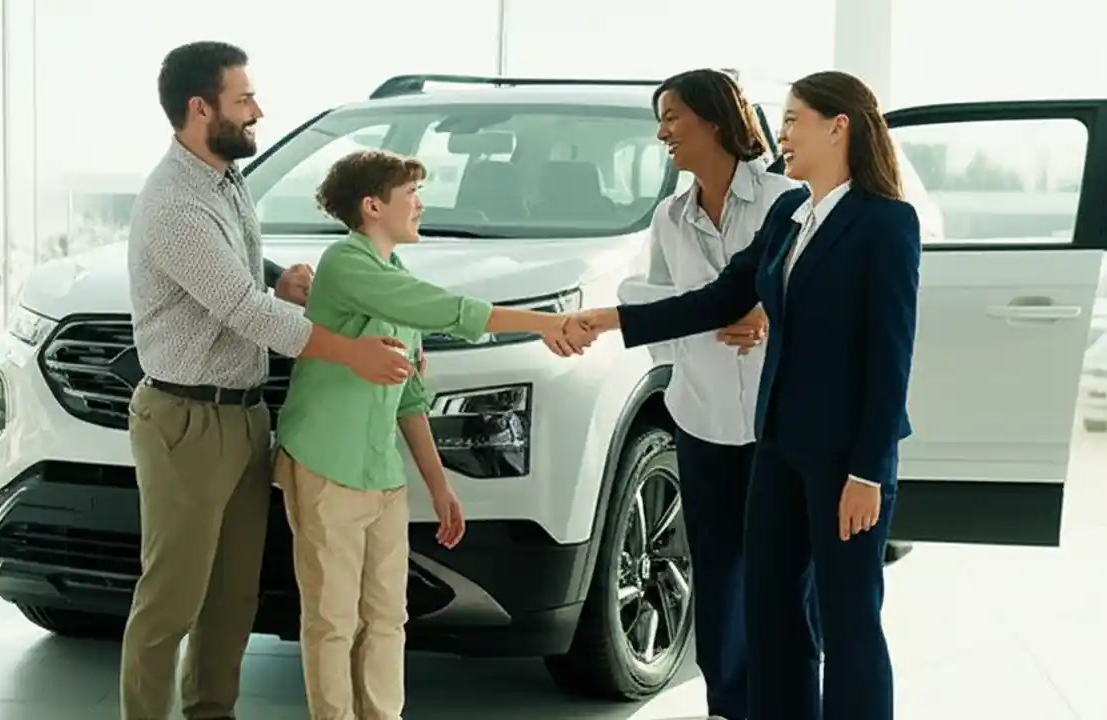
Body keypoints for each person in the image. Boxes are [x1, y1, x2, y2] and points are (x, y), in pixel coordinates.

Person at [572, 70, 920, 720]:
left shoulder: (886, 223)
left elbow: (890, 358)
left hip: (845, 458)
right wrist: (612, 320)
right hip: (778, 447)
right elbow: (721, 297)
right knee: (772, 614)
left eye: (793, 120)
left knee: (848, 623)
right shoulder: (790, 215)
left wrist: (868, 471)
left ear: (838, 127)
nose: (780, 133)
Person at [120, 41, 414, 720]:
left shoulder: (225, 180)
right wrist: (350, 352)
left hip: (244, 414)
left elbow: (236, 280)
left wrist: (276, 280)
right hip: (187, 423)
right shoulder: (174, 204)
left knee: (232, 599)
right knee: (171, 602)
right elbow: (244, 311)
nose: (258, 111)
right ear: (201, 108)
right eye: (244, 99)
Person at [273, 148, 584, 720]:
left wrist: (441, 489)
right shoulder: (345, 264)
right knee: (332, 619)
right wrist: (547, 323)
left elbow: (410, 397)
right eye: (411, 193)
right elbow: (444, 310)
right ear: (373, 206)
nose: (421, 204)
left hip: (380, 474)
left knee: (388, 616)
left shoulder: (393, 273)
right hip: (324, 465)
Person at [615, 68, 803, 720]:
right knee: (718, 574)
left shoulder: (787, 200)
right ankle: (727, 704)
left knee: (781, 575)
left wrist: (767, 313)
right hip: (701, 420)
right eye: (660, 120)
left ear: (714, 120)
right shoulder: (670, 217)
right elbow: (649, 299)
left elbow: (819, 294)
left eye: (672, 117)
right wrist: (697, 345)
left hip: (777, 425)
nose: (662, 133)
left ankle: (785, 703)